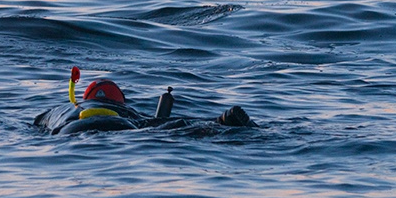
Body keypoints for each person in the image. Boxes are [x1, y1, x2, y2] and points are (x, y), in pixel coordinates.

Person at [33, 67, 254, 135]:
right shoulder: (128, 114)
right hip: (121, 127)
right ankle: (219, 123)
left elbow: (37, 123)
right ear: (121, 102)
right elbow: (153, 123)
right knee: (169, 127)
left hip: (71, 130)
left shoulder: (60, 110)